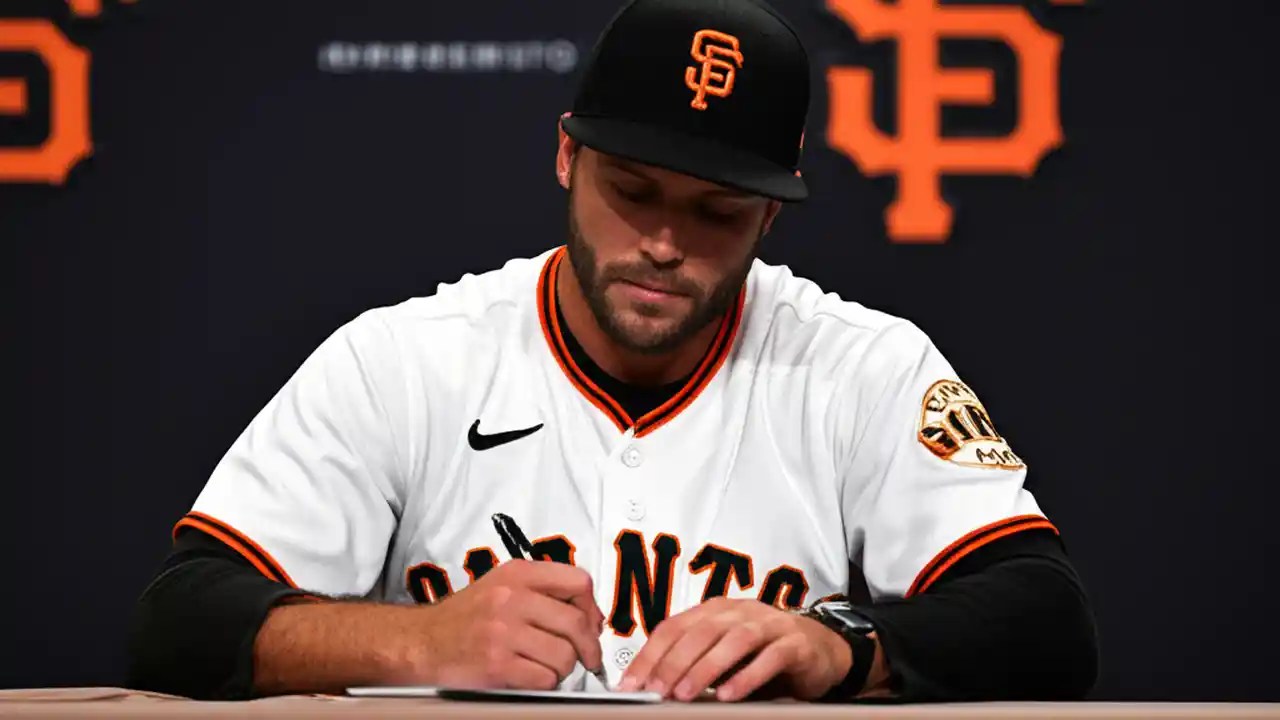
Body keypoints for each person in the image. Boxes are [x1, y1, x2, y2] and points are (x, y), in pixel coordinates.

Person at [128, 0, 1097, 703]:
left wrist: (841, 644)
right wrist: (418, 642)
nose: (665, 243)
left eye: (716, 210)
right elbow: (181, 619)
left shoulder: (862, 368)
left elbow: (1043, 618)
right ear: (565, 156)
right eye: (633, 192)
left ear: (772, 208)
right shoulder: (402, 362)